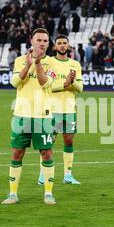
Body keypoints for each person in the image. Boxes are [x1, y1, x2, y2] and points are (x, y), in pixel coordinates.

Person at [1, 28, 56, 205]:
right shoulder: (19, 60)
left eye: (45, 41)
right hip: (21, 115)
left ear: (48, 44)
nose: (42, 43)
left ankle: (48, 193)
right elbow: (15, 82)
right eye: (39, 40)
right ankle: (13, 194)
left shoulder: (52, 63)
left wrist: (38, 63)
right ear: (32, 41)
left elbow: (44, 82)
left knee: (46, 153)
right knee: (17, 153)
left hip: (43, 116)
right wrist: (28, 64)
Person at [38, 35, 83, 186]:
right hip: (52, 109)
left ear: (68, 46)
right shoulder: (49, 62)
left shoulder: (75, 64)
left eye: (65, 43)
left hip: (69, 109)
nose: (62, 46)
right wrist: (65, 84)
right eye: (59, 43)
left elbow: (80, 88)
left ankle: (68, 175)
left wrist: (72, 81)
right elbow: (46, 85)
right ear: (55, 46)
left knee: (69, 141)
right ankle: (43, 175)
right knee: (47, 142)